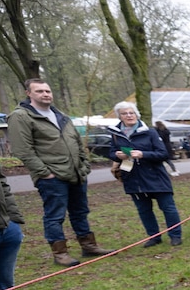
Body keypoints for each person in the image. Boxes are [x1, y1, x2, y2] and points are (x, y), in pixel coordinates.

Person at [7, 78, 113, 267]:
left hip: (76, 173)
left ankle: (89, 245)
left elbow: (77, 142)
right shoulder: (21, 116)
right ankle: (60, 253)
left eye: (47, 91)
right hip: (52, 177)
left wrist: (84, 166)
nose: (45, 94)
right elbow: (22, 149)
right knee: (55, 215)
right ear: (28, 93)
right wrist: (45, 173)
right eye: (39, 91)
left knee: (80, 212)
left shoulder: (60, 115)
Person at [107, 102, 182, 248]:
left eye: (131, 113)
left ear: (136, 114)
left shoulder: (150, 132)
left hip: (155, 176)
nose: (129, 116)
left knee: (168, 208)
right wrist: (117, 155)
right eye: (124, 113)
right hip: (132, 177)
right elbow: (111, 153)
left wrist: (143, 154)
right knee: (144, 210)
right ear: (119, 116)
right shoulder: (116, 134)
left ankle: (175, 235)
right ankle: (154, 237)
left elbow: (163, 153)